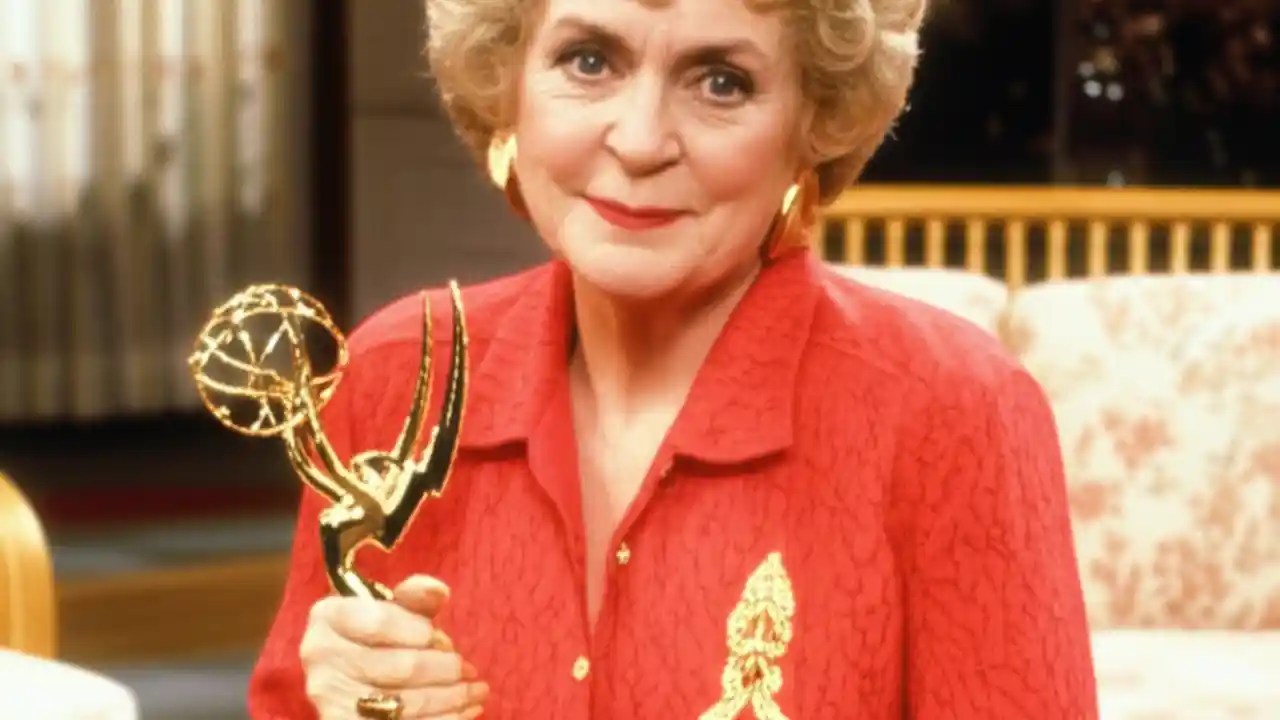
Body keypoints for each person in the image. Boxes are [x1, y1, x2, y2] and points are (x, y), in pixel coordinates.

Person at [248, 0, 1100, 717]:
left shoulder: (953, 413)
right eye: (589, 61)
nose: (643, 140)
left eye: (720, 81)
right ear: (507, 84)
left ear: (814, 121)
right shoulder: (395, 373)